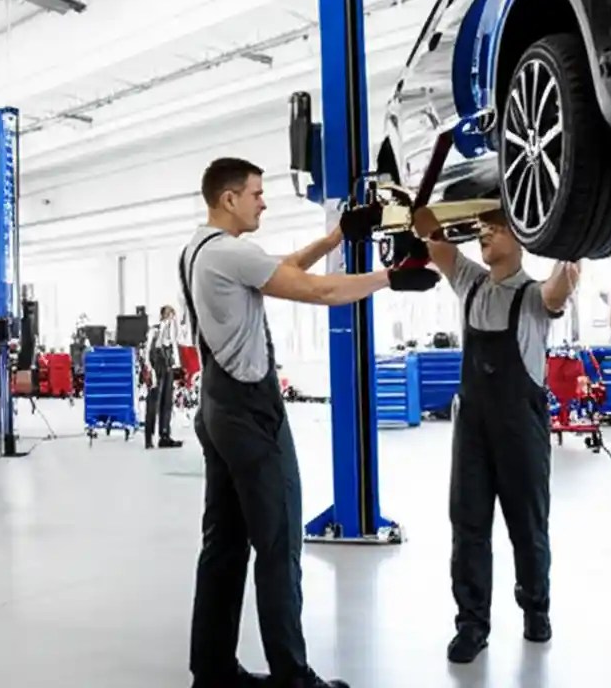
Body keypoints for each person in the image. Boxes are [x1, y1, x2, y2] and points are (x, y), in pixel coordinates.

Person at [183, 157, 440, 688]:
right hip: (252, 415)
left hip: (216, 407)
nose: (264, 201)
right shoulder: (231, 252)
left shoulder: (200, 249)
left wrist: (337, 237)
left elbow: (281, 268)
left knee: (224, 544)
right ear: (229, 198)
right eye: (256, 193)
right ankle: (292, 678)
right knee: (279, 548)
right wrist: (390, 278)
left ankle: (211, 671)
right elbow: (318, 292)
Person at [410, 207, 580, 664]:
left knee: (527, 527)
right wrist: (416, 198)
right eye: (482, 228)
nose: (485, 234)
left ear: (522, 237)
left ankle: (536, 609)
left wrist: (571, 239)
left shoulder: (531, 296)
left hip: (519, 428)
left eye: (496, 227)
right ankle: (471, 624)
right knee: (467, 527)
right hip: (471, 430)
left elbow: (560, 287)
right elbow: (431, 234)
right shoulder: (469, 282)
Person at [145, 304, 183, 449]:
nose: (171, 320)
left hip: (168, 365)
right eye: (170, 316)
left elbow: (177, 342)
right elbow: (148, 352)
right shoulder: (155, 330)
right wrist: (151, 371)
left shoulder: (172, 333)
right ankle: (149, 438)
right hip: (157, 366)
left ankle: (164, 436)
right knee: (153, 403)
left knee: (167, 402)